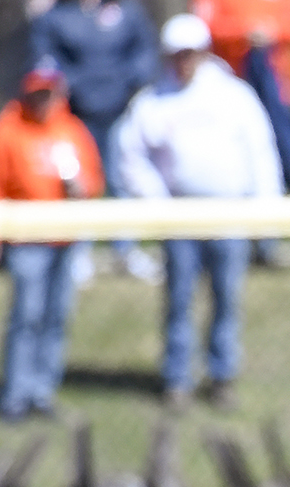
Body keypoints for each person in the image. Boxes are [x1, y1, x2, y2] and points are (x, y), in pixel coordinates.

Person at [114, 13, 281, 411]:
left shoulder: (234, 95)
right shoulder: (153, 102)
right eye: (176, 54)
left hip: (228, 213)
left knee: (225, 297)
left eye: (189, 54)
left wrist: (266, 209)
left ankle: (222, 376)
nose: (183, 62)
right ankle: (177, 378)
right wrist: (157, 198)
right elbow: (130, 154)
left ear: (204, 53)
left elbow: (260, 150)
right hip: (180, 217)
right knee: (180, 298)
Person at [0, 60, 102, 422]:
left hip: (64, 239)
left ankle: (42, 391)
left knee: (57, 316)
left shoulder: (71, 129)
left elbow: (93, 180)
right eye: (38, 92)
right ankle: (15, 395)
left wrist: (81, 188)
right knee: (27, 316)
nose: (44, 99)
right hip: (26, 240)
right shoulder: (8, 129)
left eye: (50, 92)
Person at [28, 0, 161, 282]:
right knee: (81, 184)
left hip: (121, 112)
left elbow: (144, 52)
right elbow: (46, 59)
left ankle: (125, 249)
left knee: (120, 180)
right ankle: (80, 252)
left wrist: (126, 84)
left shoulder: (126, 10)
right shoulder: (59, 15)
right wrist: (77, 88)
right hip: (76, 115)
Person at [190, 0, 290, 199]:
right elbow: (201, 26)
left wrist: (273, 30)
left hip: (278, 87)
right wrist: (243, 32)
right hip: (228, 88)